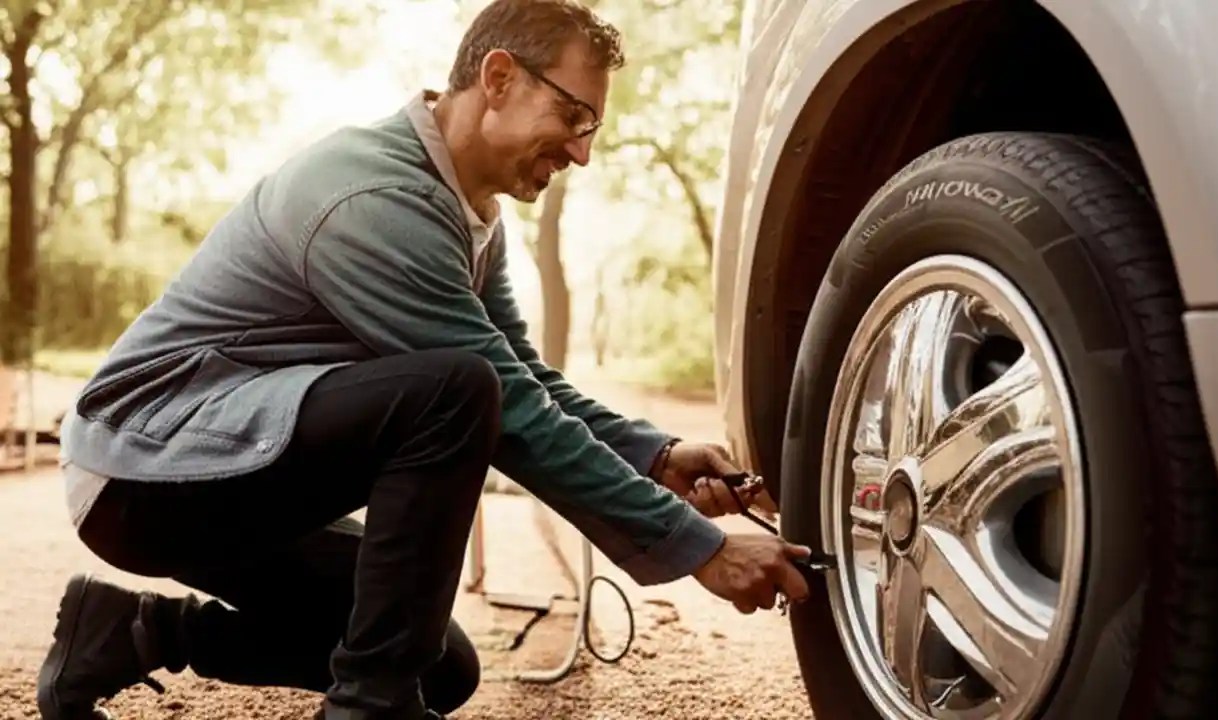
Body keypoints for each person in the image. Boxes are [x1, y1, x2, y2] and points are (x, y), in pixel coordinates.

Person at [37, 1, 812, 719]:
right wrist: (698, 546)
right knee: (454, 395)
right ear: (499, 78)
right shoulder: (372, 197)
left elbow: (524, 377)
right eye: (572, 116)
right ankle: (369, 713)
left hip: (232, 470)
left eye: (592, 129)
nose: (580, 151)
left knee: (436, 663)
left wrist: (656, 453)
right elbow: (502, 404)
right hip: (148, 467)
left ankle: (132, 633)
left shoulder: (473, 215)